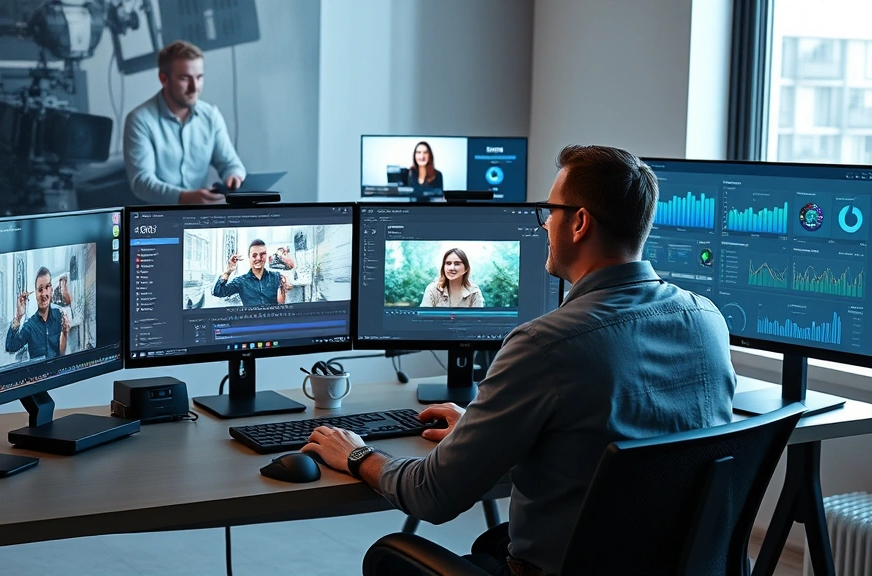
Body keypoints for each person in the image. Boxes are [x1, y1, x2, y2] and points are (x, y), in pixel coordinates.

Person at [301, 145, 737, 575]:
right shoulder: (707, 319)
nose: (545, 223)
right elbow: (604, 437)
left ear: (579, 223)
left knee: (394, 556)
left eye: (550, 210)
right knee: (491, 541)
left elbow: (431, 496)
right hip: (676, 563)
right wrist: (480, 428)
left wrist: (358, 454)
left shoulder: (545, 345)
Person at [123, 41, 247, 205]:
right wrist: (183, 198)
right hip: (160, 220)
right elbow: (142, 182)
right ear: (163, 79)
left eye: (199, 77)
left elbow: (231, 164)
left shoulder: (211, 116)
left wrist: (234, 176)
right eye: (185, 79)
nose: (194, 87)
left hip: (204, 216)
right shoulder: (139, 121)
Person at [6, 266, 70, 360]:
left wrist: (64, 334)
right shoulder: (29, 326)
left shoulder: (59, 315)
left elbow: (61, 353)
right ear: (35, 293)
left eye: (47, 287)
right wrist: (18, 316)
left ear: (51, 290)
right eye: (40, 289)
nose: (44, 294)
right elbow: (10, 347)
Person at [212, 239, 292, 306]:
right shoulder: (241, 281)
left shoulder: (276, 277)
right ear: (249, 257)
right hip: (251, 322)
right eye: (254, 255)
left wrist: (285, 283)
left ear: (266, 256)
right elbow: (218, 292)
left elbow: (282, 304)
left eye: (262, 254)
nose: (259, 258)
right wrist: (228, 272)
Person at [420, 248, 484, 307]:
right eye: (448, 263)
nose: (451, 268)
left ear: (466, 269)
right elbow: (423, 317)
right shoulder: (432, 289)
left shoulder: (474, 292)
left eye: (457, 264)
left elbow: (479, 318)